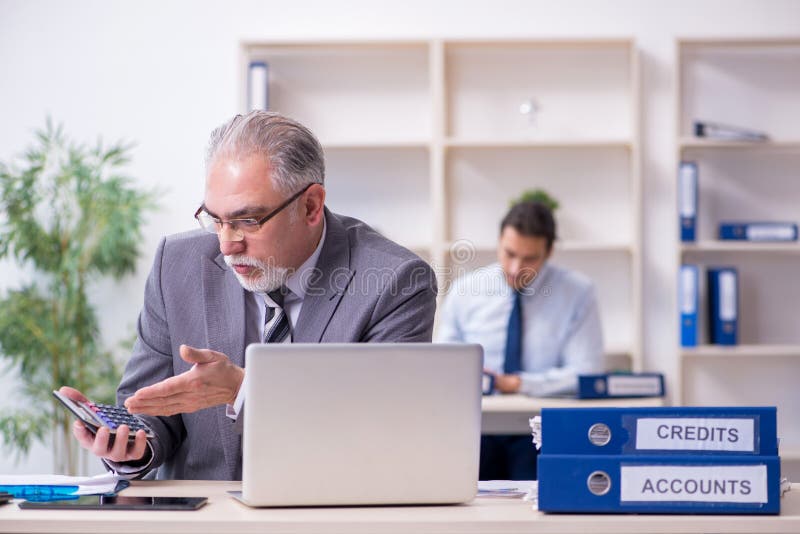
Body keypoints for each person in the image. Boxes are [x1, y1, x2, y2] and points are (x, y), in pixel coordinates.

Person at [59, 111, 437, 480]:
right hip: (206, 521)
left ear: (311, 206)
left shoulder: (395, 281)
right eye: (215, 219)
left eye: (247, 221)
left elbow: (381, 431)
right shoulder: (176, 265)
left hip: (328, 514)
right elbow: (152, 410)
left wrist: (245, 389)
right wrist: (133, 446)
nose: (226, 244)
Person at [436, 200, 603, 480]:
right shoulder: (466, 290)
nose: (516, 268)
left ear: (548, 252)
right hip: (475, 427)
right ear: (499, 242)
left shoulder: (578, 293)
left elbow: (586, 373)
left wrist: (519, 384)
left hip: (540, 429)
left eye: (529, 259)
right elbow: (442, 363)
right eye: (509, 253)